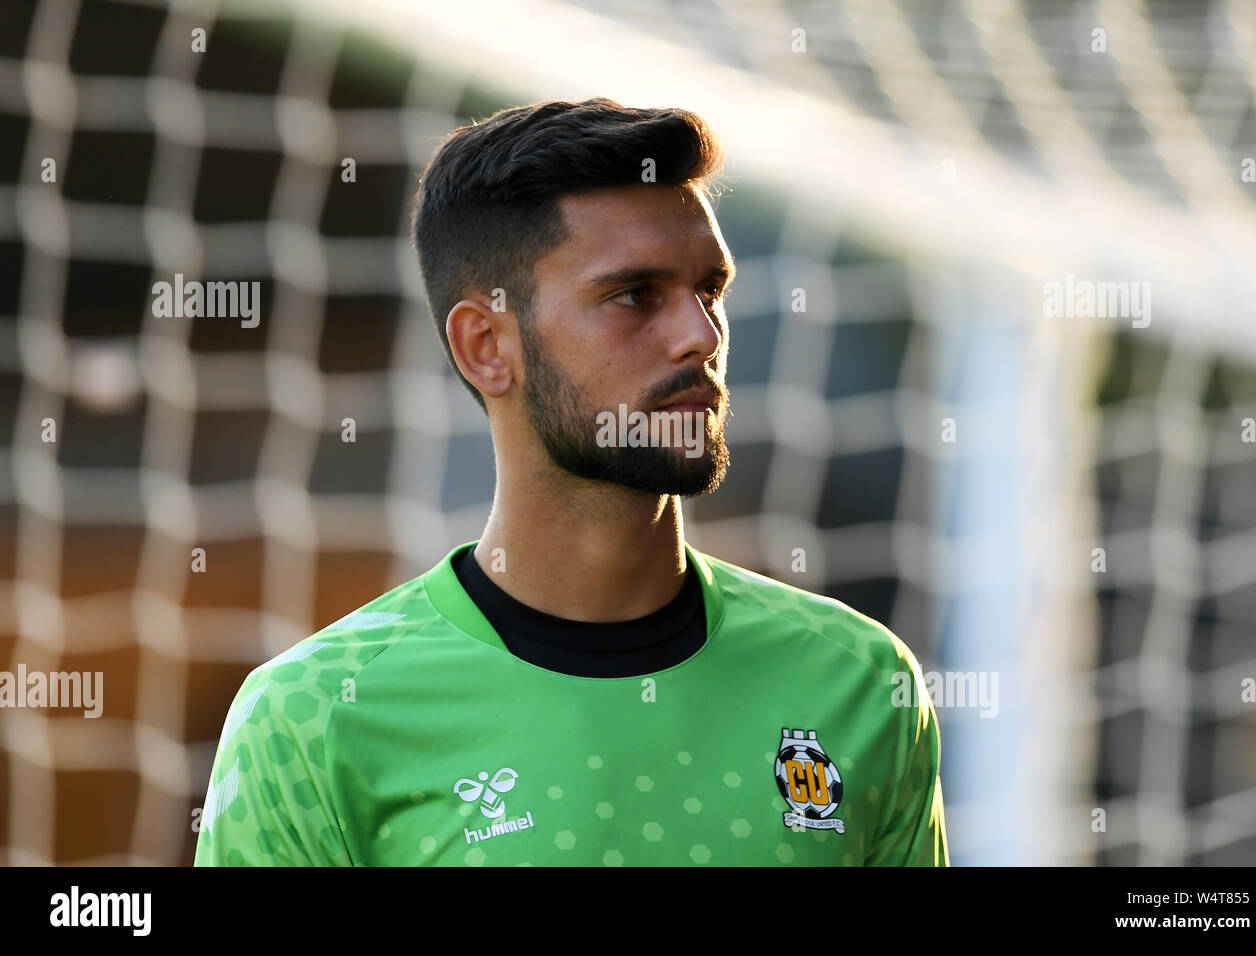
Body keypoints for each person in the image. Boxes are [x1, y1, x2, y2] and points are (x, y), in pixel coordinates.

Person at [195, 98, 948, 867]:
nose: (702, 335)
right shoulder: (312, 719)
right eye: (634, 295)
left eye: (709, 291)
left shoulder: (858, 681)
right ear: (487, 345)